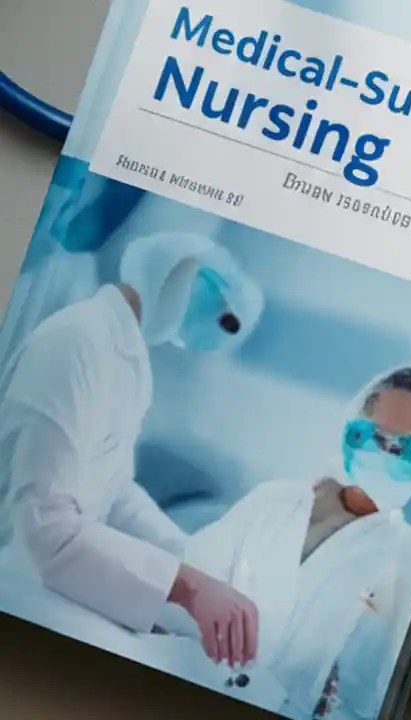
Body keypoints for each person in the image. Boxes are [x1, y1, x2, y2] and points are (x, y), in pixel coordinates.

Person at [0, 231, 265, 669]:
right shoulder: (77, 342)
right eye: (226, 321)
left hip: (55, 565)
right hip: (19, 570)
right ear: (187, 273)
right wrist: (188, 587)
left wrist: (190, 559)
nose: (216, 335)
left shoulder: (125, 357)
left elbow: (114, 489)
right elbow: (43, 527)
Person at [179, 365, 411, 718]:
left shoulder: (400, 560)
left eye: (405, 449)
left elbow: (366, 696)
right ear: (353, 423)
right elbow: (183, 591)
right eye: (373, 436)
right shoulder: (274, 501)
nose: (383, 453)